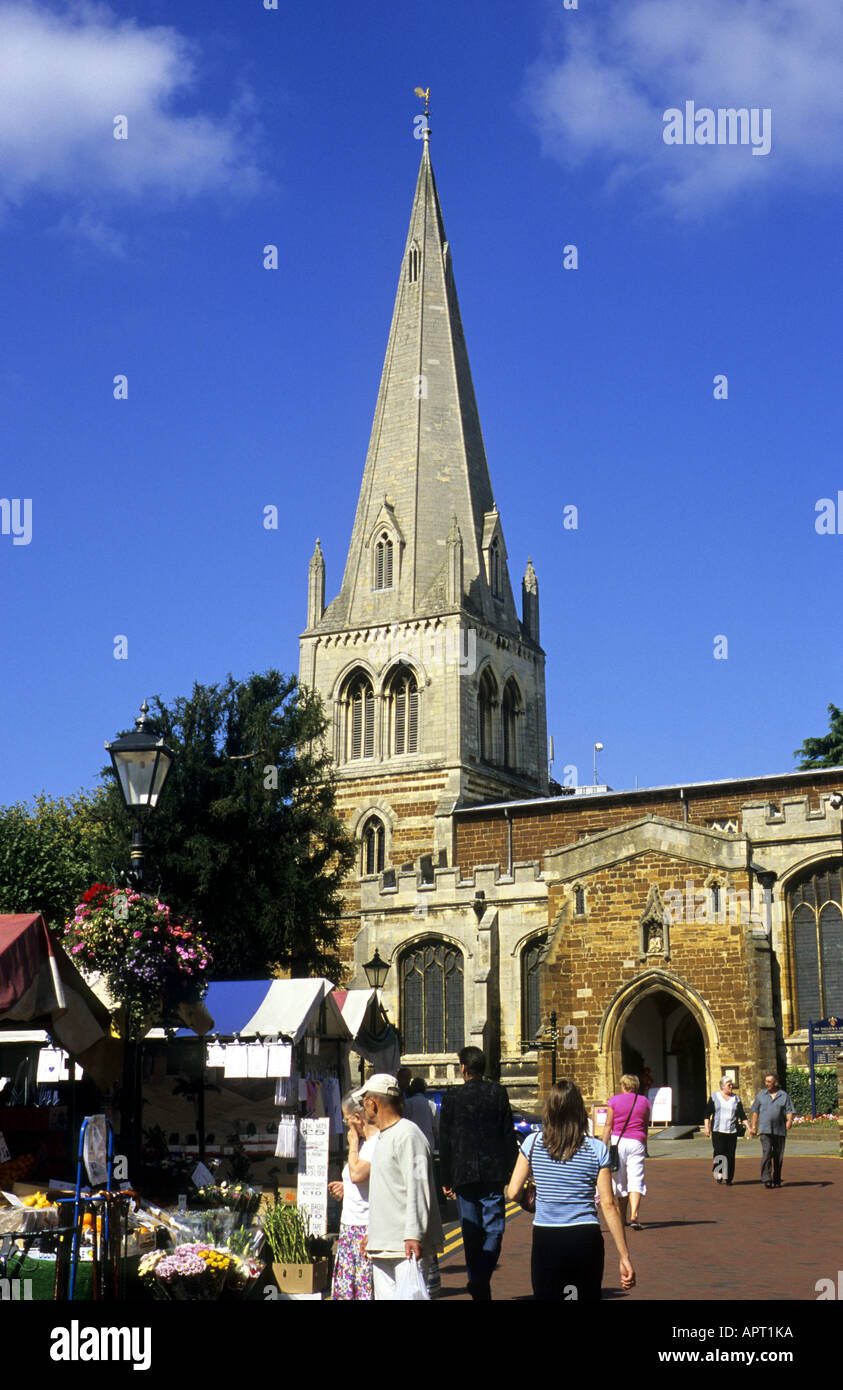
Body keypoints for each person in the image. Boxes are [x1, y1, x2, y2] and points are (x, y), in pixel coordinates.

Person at [506, 1079, 635, 1301]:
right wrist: (624, 1256)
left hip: (547, 1236)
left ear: (549, 1110)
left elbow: (513, 1192)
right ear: (579, 1111)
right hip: (585, 1236)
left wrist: (524, 1196)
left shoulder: (533, 1143)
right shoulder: (596, 1149)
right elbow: (608, 1204)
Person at [439, 1045, 519, 1301]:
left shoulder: (452, 1097)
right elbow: (508, 1134)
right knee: (494, 1230)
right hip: (493, 1172)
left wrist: (445, 1177)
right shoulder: (498, 1093)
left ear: (463, 1068)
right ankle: (480, 1280)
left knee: (471, 1232)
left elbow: (446, 1140)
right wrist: (512, 1170)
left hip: (463, 1174)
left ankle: (478, 1280)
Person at [354, 1073, 443, 1300]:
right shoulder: (386, 1137)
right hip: (385, 1245)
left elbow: (418, 1187)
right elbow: (388, 1192)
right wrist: (373, 1233)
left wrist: (414, 1233)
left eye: (364, 1103)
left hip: (405, 1247)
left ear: (372, 1103)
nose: (363, 1110)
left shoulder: (408, 1134)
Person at [327, 1091, 379, 1300]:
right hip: (350, 1225)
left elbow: (357, 1174)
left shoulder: (372, 1144)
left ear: (357, 1118)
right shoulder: (367, 1144)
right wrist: (345, 1187)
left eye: (347, 1120)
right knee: (351, 1288)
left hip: (362, 1228)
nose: (348, 1126)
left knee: (362, 1288)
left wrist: (352, 1144)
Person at [600, 1074, 651, 1230]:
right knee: (637, 1177)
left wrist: (602, 1144)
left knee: (621, 1178)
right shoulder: (644, 1101)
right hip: (637, 1141)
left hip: (618, 1141)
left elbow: (609, 1125)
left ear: (623, 1086)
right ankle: (634, 1214)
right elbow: (645, 1124)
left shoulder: (614, 1101)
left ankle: (622, 1217)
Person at [749, 1072, 794, 1187]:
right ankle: (766, 1178)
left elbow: (789, 1110)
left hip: (779, 1130)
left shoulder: (784, 1096)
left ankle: (777, 1179)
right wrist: (754, 1126)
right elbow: (755, 1111)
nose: (766, 1083)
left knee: (778, 1156)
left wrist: (789, 1121)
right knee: (767, 1152)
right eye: (766, 1081)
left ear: (775, 1083)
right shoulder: (761, 1095)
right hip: (765, 1129)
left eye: (769, 1081)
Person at [703, 1077, 749, 1186]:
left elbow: (742, 1114)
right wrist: (707, 1127)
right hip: (718, 1131)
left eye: (731, 1084)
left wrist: (749, 1127)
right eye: (729, 1084)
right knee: (720, 1152)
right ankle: (718, 1174)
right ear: (722, 1086)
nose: (731, 1086)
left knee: (730, 1155)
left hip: (731, 1131)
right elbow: (707, 1114)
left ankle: (728, 1178)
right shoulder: (715, 1097)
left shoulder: (736, 1098)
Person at [397, 1066, 436, 1148]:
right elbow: (436, 1126)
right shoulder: (432, 1105)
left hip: (412, 1140)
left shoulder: (407, 1103)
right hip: (428, 1140)